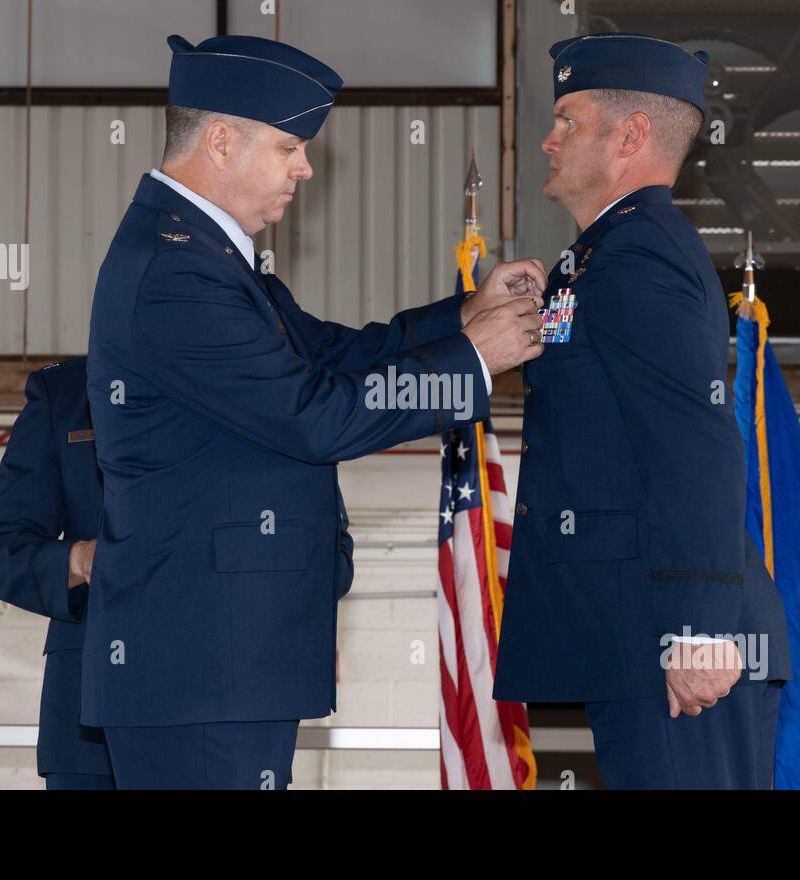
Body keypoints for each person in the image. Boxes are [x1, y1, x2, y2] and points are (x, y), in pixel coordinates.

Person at [83, 33, 546, 789]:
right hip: (203, 668)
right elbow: (313, 416)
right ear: (222, 142)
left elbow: (328, 354)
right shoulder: (176, 272)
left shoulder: (206, 256)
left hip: (222, 665)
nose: (304, 166)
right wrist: (471, 360)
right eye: (289, 146)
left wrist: (466, 316)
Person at [492, 32, 792, 789]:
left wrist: (699, 625)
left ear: (630, 137)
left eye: (568, 120)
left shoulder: (641, 253)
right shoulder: (596, 257)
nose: (547, 141)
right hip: (636, 631)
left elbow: (693, 442)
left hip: (676, 637)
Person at [0, 357, 114, 790]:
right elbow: (7, 552)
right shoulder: (66, 393)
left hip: (223, 716)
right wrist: (79, 560)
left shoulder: (254, 380)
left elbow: (326, 553)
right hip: (89, 724)